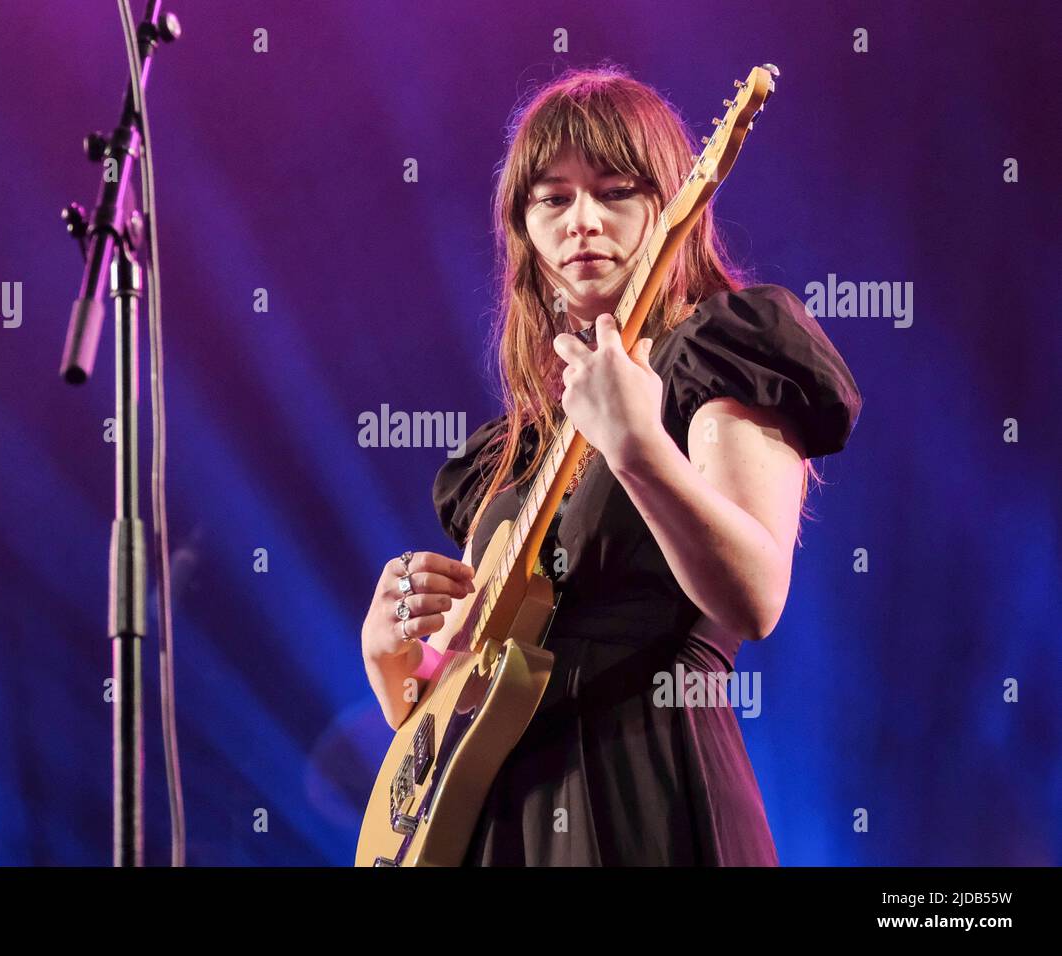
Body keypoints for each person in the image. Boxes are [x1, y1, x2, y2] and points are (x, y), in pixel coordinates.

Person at [360, 66, 862, 865]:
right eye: (552, 198)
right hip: (494, 823)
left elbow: (756, 595)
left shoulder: (718, 350)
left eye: (615, 190)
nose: (582, 221)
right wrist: (390, 652)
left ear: (670, 203)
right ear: (523, 227)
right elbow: (444, 707)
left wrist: (636, 448)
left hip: (640, 787)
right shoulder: (508, 454)